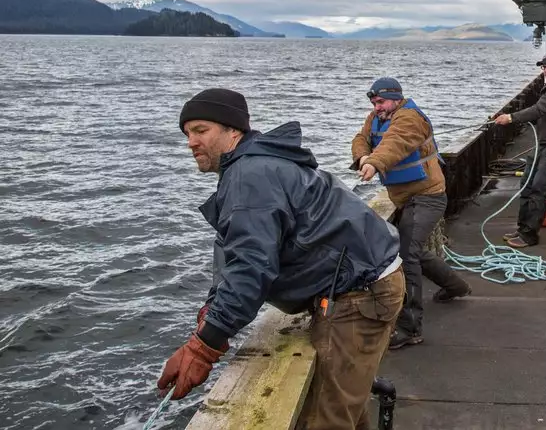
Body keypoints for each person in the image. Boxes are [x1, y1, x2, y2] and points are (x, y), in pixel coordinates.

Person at [158, 87, 404, 430]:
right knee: (344, 402)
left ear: (233, 130)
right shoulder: (254, 166)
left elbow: (251, 267)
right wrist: (212, 310)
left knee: (326, 420)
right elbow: (235, 249)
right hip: (358, 280)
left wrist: (204, 347)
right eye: (187, 133)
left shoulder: (250, 176)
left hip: (360, 293)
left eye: (201, 130)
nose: (191, 142)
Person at [352, 77, 472, 350]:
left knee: (406, 255)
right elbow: (361, 139)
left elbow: (394, 143)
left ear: (396, 98)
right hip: (405, 198)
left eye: (381, 101)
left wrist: (374, 162)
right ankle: (455, 286)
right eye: (373, 102)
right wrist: (362, 157)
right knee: (412, 249)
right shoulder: (375, 117)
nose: (376, 107)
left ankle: (410, 327)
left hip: (428, 197)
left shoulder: (410, 119)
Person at [493, 52, 546, 248]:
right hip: (545, 143)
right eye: (544, 67)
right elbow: (542, 112)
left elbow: (540, 109)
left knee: (540, 189)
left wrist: (511, 118)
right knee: (527, 184)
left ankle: (529, 236)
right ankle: (523, 228)